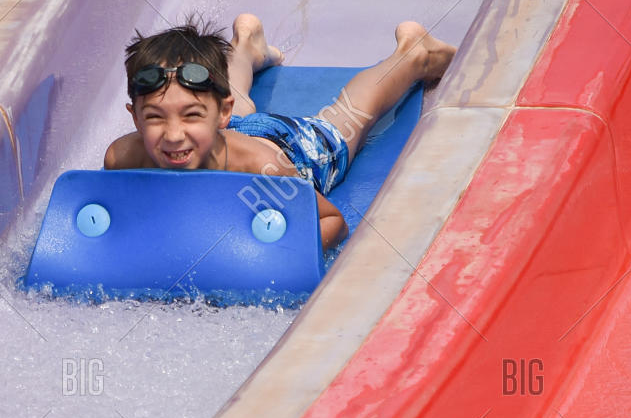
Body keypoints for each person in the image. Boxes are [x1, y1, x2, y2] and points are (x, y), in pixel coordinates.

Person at [102, 14, 456, 250]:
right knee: (229, 102)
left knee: (348, 115)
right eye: (156, 118)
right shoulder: (123, 157)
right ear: (134, 117)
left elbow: (333, 221)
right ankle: (246, 45)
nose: (174, 134)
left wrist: (270, 250)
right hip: (228, 133)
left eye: (189, 115)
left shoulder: (265, 169)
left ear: (219, 114)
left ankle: (413, 56)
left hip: (295, 149)